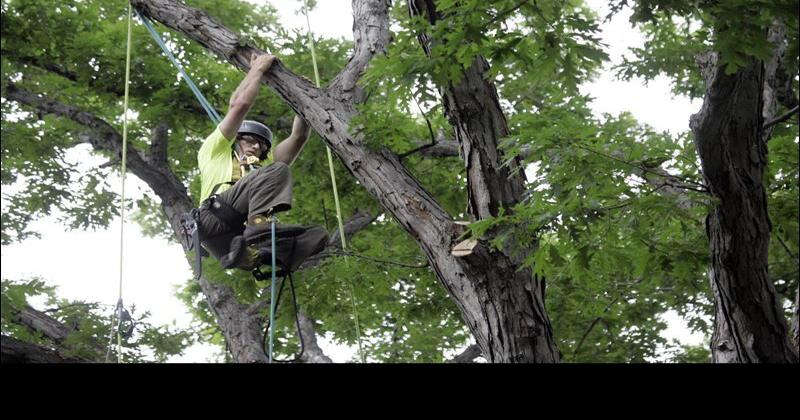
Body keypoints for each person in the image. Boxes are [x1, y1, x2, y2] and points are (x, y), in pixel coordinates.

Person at [194, 52, 327, 273]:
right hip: (213, 217)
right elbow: (239, 104)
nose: (256, 146)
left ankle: (255, 256)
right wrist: (257, 69)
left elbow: (298, 137)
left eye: (262, 145)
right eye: (250, 140)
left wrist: (302, 98)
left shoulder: (262, 169)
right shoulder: (216, 151)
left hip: (233, 237)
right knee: (277, 170)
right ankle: (258, 226)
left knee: (316, 236)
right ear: (236, 139)